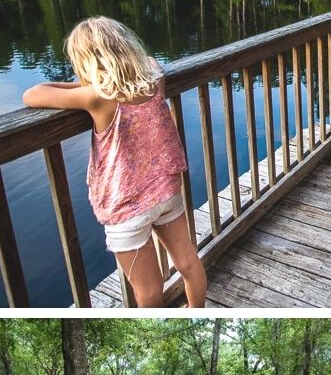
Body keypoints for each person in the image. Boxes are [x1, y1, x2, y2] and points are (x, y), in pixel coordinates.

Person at [23, 16, 207, 307]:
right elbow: (149, 58)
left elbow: (33, 94)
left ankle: (156, 341)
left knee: (148, 290)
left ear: (87, 61)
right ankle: (197, 309)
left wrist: (86, 84)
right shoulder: (154, 78)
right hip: (166, 193)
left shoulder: (98, 97)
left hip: (126, 208)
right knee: (188, 262)